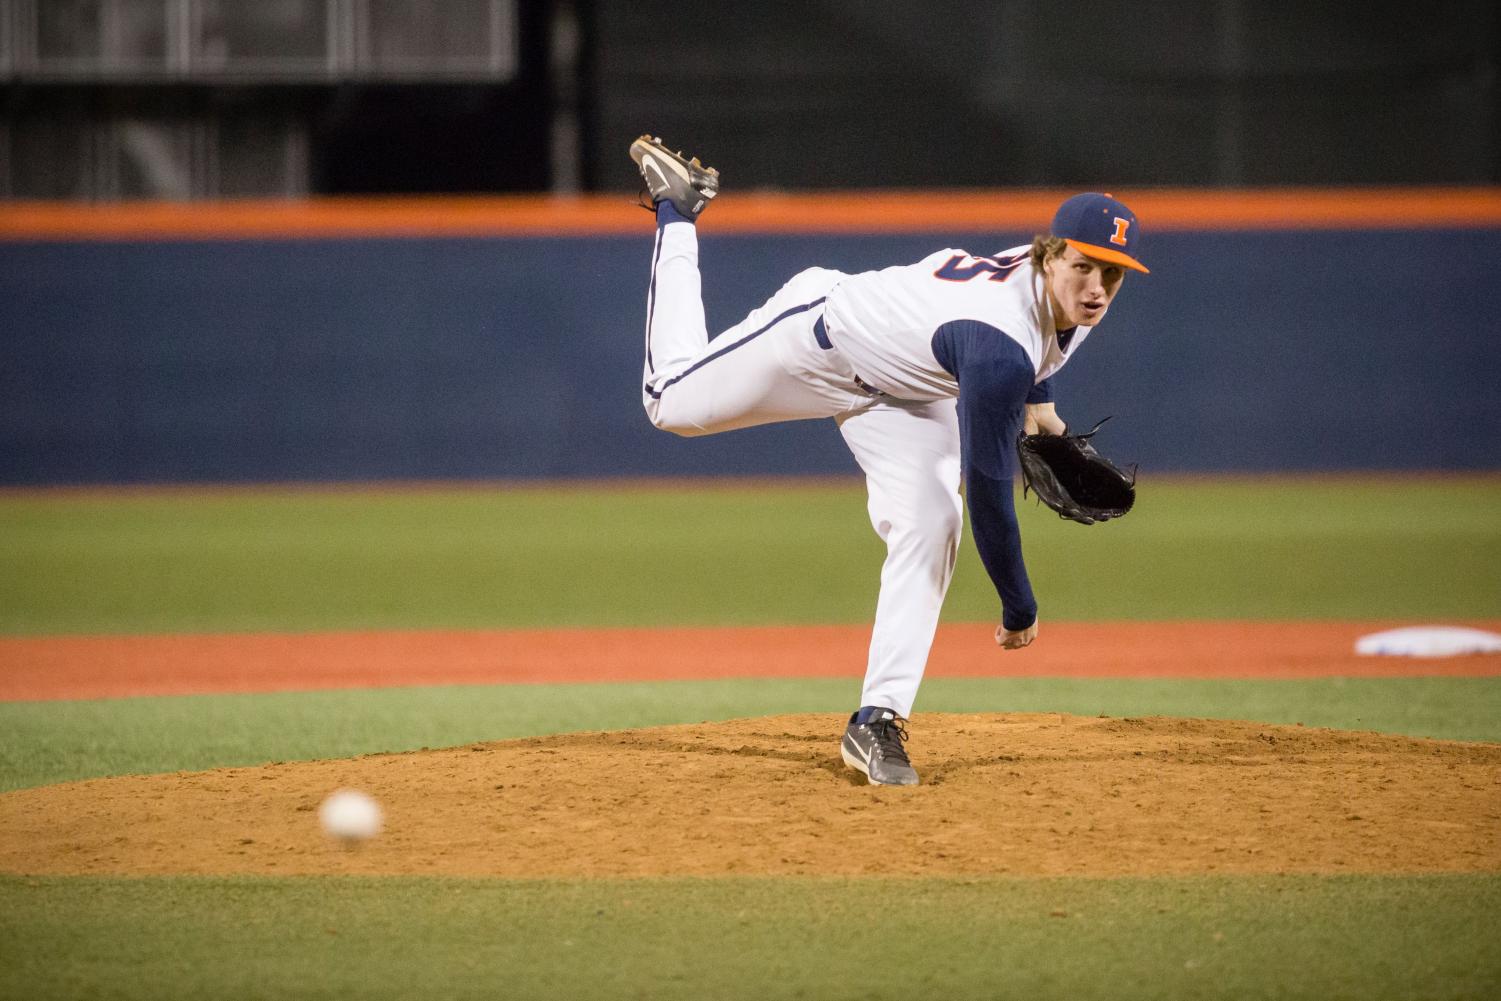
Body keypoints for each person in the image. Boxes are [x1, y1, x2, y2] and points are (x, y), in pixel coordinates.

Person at [629, 135, 1149, 786]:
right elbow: (990, 494)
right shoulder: (997, 351)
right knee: (668, 402)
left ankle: (876, 719)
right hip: (816, 344)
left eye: (1112, 272)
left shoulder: (1063, 297)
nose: (1097, 286)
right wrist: (1019, 607)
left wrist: (1040, 409)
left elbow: (1035, 351)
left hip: (902, 395)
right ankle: (677, 211)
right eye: (1084, 267)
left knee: (932, 519)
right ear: (1048, 257)